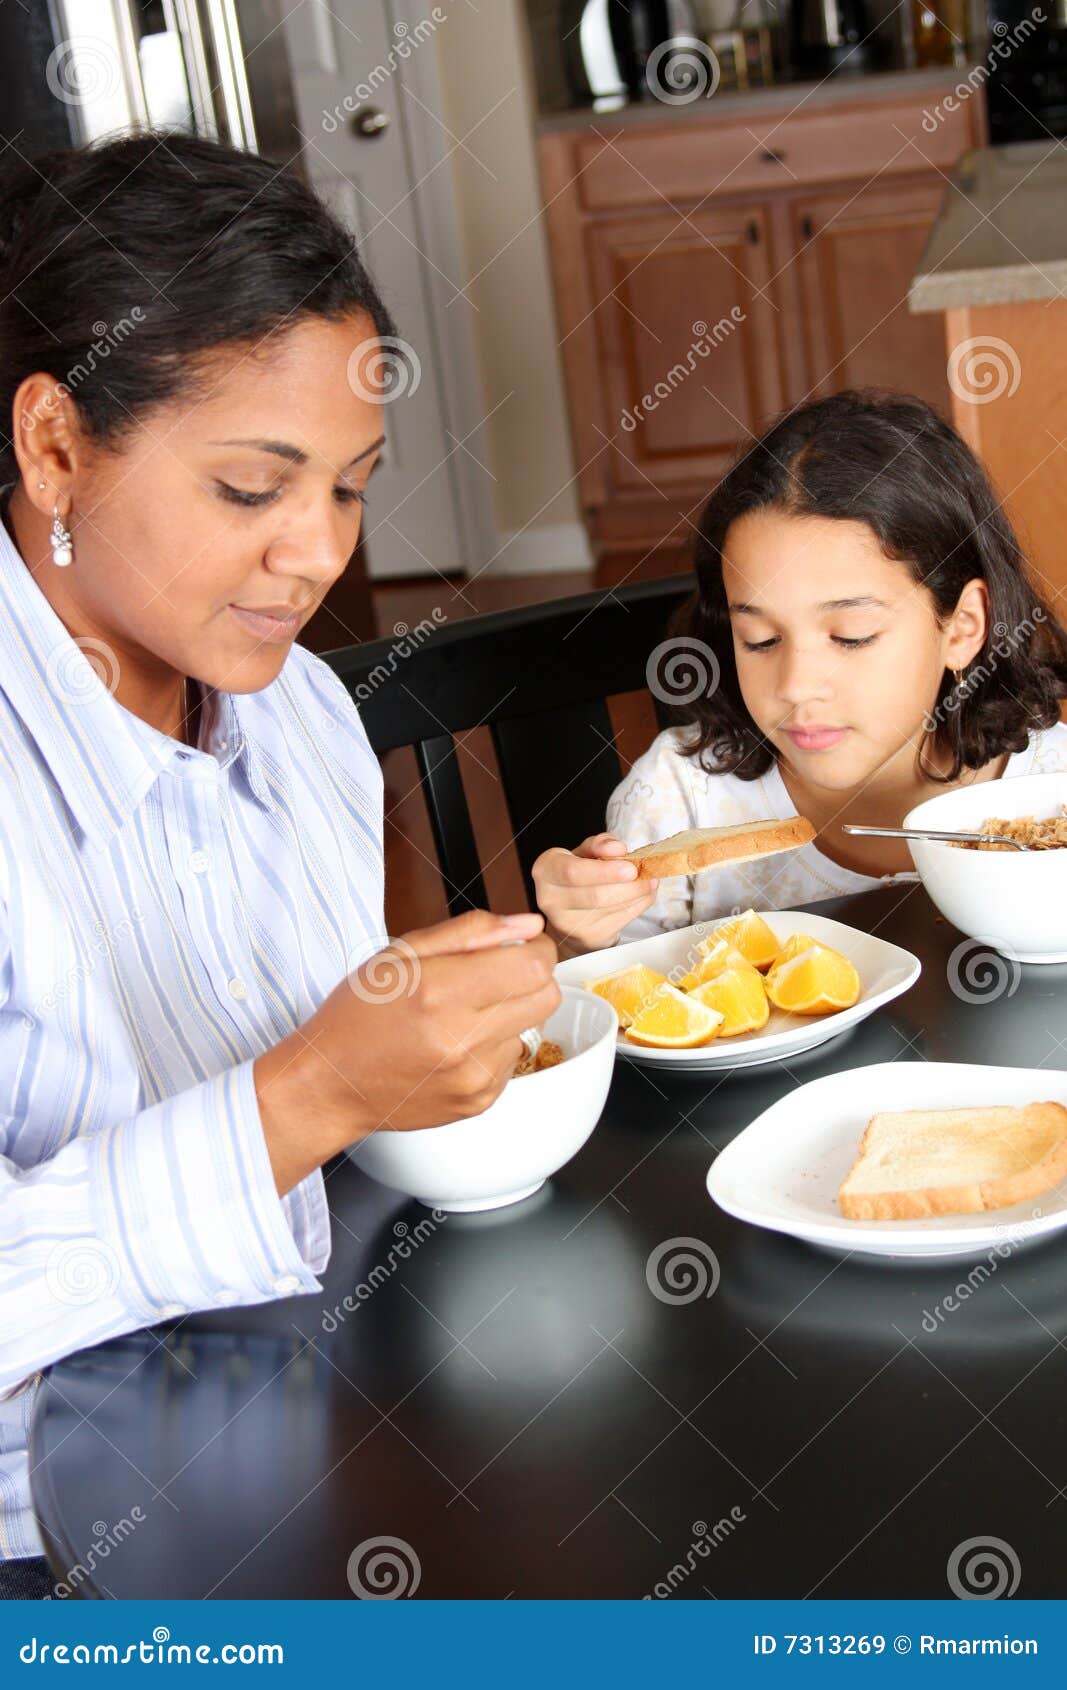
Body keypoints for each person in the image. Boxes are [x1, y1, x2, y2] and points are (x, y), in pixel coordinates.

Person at [0, 133, 559, 1597]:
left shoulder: (299, 712)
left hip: (327, 1424)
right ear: (54, 445)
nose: (316, 555)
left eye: (351, 488)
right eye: (253, 487)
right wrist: (306, 1093)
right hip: (55, 1553)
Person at [534, 389, 1067, 955]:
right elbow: (610, 990)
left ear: (961, 628)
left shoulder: (1052, 785)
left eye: (850, 636)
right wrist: (575, 938)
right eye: (760, 640)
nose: (794, 686)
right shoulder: (679, 799)